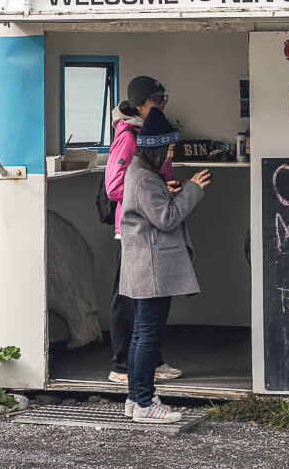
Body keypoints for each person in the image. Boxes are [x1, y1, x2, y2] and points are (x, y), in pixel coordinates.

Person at [118, 107, 212, 422]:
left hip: (145, 266)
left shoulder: (142, 173)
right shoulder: (143, 178)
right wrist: (192, 190)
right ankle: (145, 405)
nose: (171, 154)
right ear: (156, 147)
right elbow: (166, 217)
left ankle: (136, 397)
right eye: (169, 149)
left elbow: (151, 206)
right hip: (152, 268)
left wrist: (167, 190)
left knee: (141, 335)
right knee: (148, 336)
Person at [104, 76, 183, 384]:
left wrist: (164, 187)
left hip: (155, 227)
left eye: (164, 97)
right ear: (139, 106)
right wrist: (155, 188)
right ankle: (120, 365)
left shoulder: (153, 133)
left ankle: (153, 360)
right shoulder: (128, 136)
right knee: (127, 299)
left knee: (153, 298)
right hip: (131, 230)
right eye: (155, 100)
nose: (161, 104)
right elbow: (113, 187)